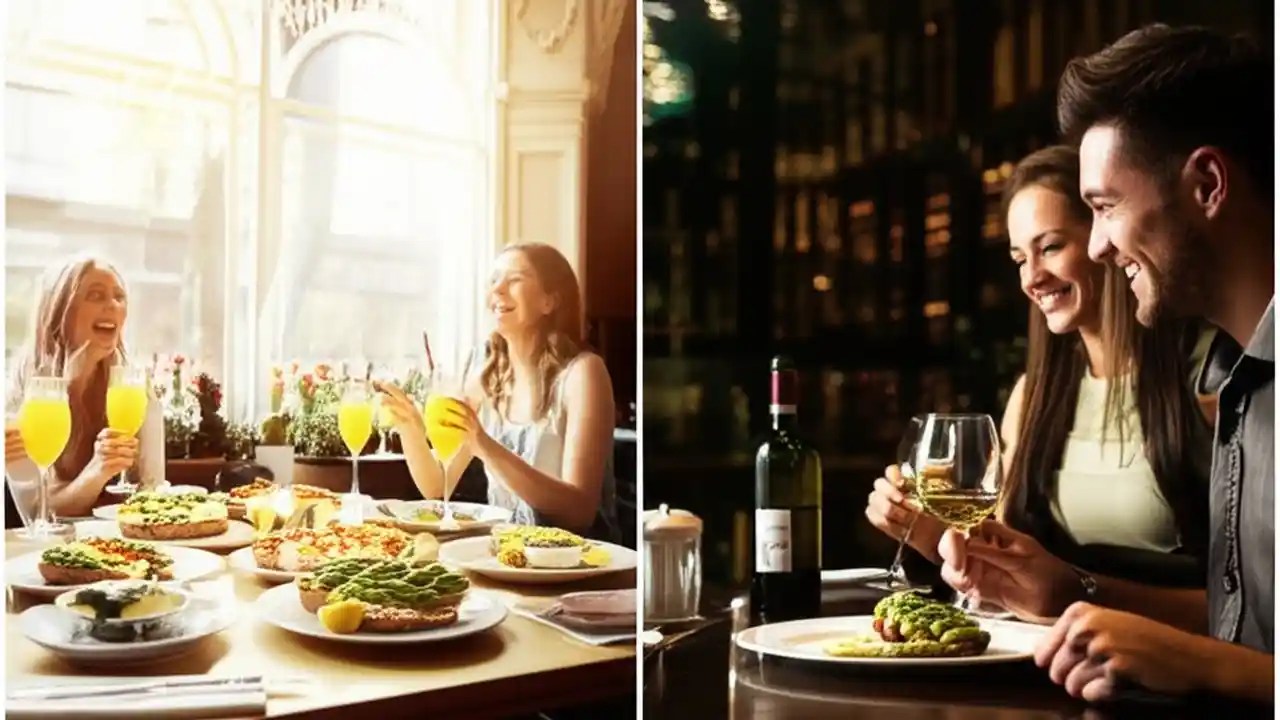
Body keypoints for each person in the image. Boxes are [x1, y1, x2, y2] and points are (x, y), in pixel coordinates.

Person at [938, 24, 1273, 703]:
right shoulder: (1240, 390)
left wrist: (1200, 665)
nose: (1096, 248)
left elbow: (1233, 658)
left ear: (1208, 184)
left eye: (1105, 208)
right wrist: (1074, 594)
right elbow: (1249, 635)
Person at [866, 145, 1214, 589]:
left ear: (1104, 238)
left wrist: (1074, 598)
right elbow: (1013, 568)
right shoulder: (1034, 395)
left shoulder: (1207, 375)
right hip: (1045, 653)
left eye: (1049, 247)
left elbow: (1242, 609)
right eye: (1018, 260)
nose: (1032, 278)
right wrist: (927, 533)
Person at [379, 242, 620, 541]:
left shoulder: (583, 373)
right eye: (494, 280)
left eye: (515, 279)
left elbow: (579, 512)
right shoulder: (485, 371)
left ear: (549, 301)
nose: (498, 289)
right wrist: (411, 430)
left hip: (584, 568)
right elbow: (438, 485)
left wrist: (484, 446)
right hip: (507, 560)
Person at [5, 256, 164, 520]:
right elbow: (38, 514)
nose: (112, 305)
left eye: (119, 296)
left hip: (122, 546)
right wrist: (98, 471)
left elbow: (152, 492)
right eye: (95, 295)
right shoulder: (29, 390)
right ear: (60, 309)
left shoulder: (132, 385)